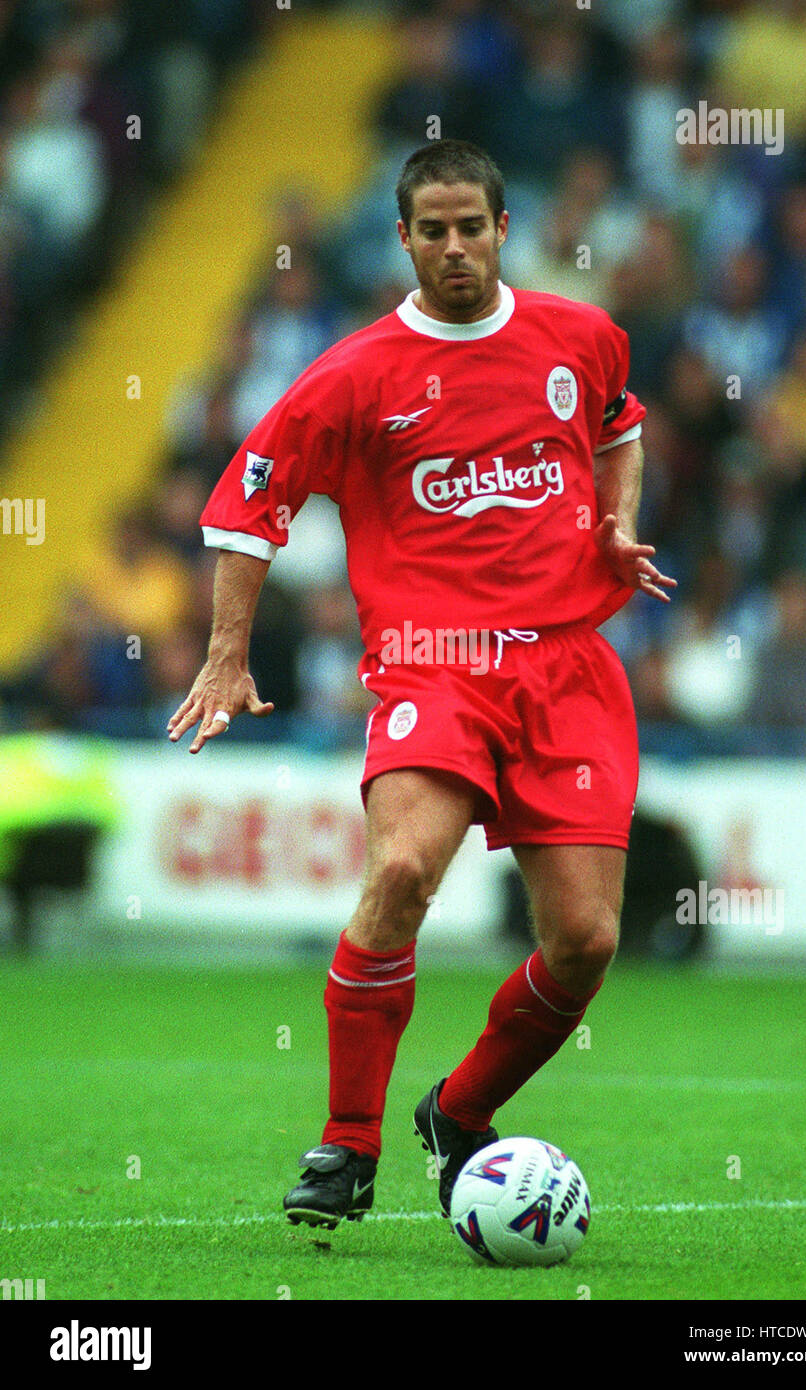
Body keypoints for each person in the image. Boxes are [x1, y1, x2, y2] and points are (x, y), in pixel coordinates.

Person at [167, 140, 676, 1230]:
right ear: (403, 239)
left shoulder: (578, 338)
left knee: (584, 941)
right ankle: (346, 1143)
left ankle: (455, 1112)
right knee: (400, 868)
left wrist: (615, 520)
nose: (453, 246)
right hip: (431, 663)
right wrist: (225, 655)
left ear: (503, 227)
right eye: (431, 230)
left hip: (568, 664)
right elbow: (246, 503)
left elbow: (620, 426)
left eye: (471, 227)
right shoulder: (354, 374)